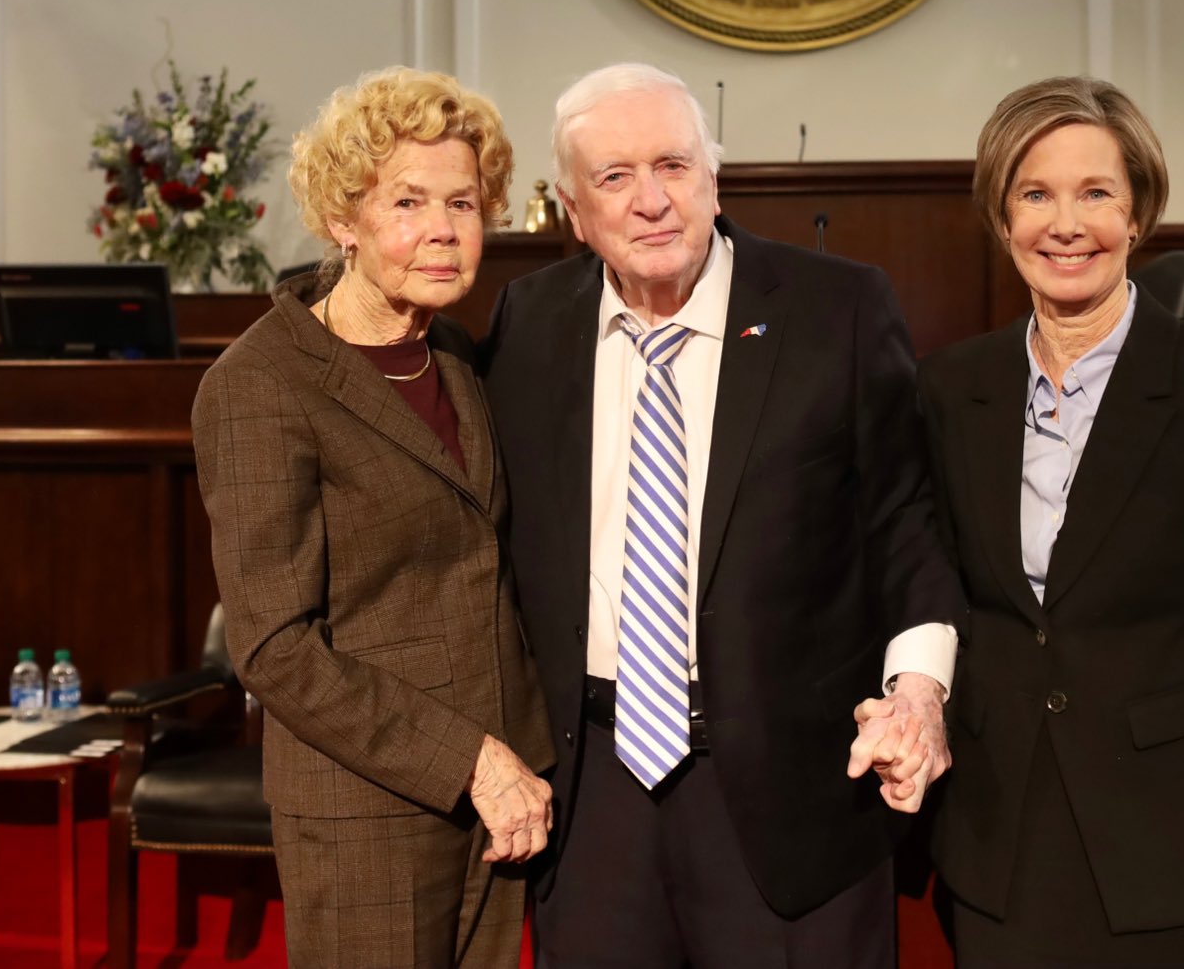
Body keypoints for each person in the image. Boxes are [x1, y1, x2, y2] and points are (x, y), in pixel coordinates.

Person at [479, 62, 966, 967]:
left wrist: (919, 692)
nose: (651, 200)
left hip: (799, 789)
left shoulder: (838, 309)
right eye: (615, 177)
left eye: (673, 164)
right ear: (573, 211)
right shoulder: (527, 322)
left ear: (714, 174)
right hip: (594, 796)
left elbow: (907, 522)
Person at [917, 77, 1184, 969]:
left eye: (1095, 193)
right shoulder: (951, 386)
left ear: (1137, 214)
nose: (1066, 224)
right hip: (999, 842)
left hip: (1172, 841)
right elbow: (937, 593)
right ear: (1002, 217)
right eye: (1036, 194)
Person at [192, 68, 554, 967]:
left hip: (502, 803)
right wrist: (469, 759)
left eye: (464, 203)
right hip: (368, 815)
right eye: (408, 201)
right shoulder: (257, 386)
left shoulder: (459, 358)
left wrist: (516, 759)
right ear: (341, 220)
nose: (443, 229)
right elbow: (274, 647)